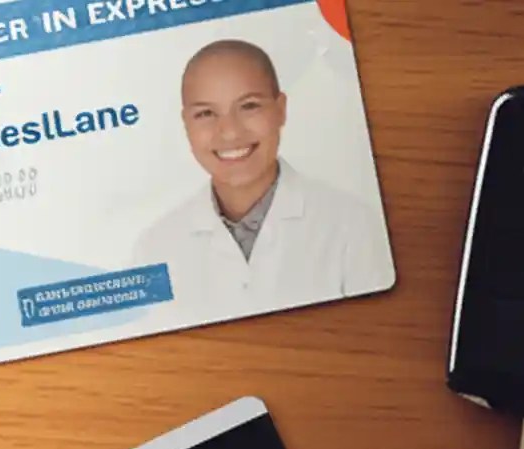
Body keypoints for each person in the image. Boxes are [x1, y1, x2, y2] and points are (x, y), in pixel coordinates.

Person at [133, 39, 393, 316]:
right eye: (206, 113)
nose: (230, 131)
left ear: (281, 110)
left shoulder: (352, 227)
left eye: (249, 106)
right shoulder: (154, 248)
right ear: (186, 124)